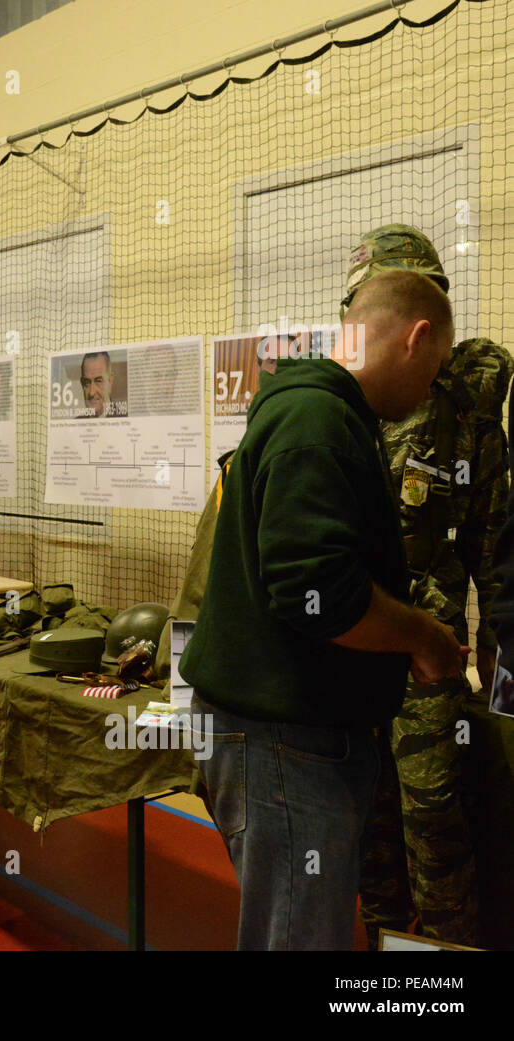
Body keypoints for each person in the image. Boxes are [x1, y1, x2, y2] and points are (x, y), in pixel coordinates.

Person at [180, 270, 466, 951]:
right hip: (285, 748)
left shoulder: (322, 412)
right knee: (300, 937)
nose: (432, 390)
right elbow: (321, 594)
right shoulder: (318, 422)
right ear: (416, 337)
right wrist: (423, 636)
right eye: (435, 368)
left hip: (289, 741)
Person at [345, 226, 511, 950]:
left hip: (432, 657)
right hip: (351, 648)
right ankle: (387, 952)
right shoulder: (338, 402)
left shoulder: (464, 412)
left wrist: (503, 685)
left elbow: (494, 549)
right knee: (367, 821)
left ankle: (444, 963)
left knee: (437, 817)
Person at [79, 351, 113, 417]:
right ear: (82, 384)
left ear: (110, 381)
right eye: (87, 382)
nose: (92, 393)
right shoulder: (75, 423)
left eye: (98, 381)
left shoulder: (127, 418)